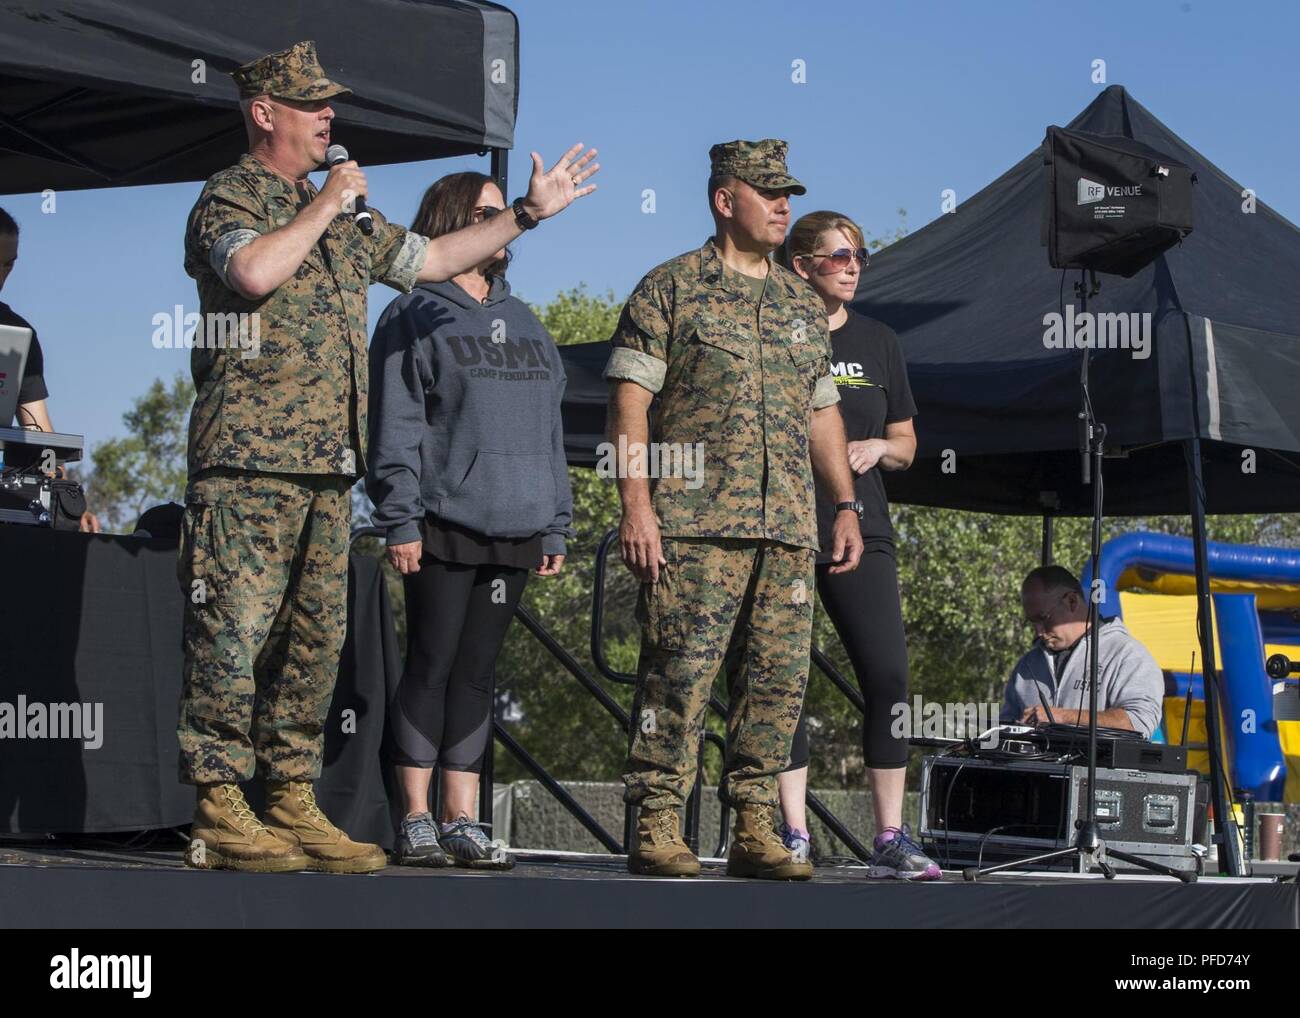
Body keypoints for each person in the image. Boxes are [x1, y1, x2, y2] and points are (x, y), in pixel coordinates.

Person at [178, 40, 597, 873]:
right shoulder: (233, 196)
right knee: (232, 635)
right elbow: (253, 272)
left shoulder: (348, 220)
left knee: (311, 644)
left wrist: (525, 214)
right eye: (310, 104)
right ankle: (220, 805)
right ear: (263, 113)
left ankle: (291, 797)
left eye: (328, 102)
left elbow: (433, 259)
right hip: (249, 463)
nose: (328, 115)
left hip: (328, 468)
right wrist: (329, 201)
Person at [605, 139, 863, 880]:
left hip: (786, 529)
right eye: (768, 193)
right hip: (693, 527)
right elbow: (629, 405)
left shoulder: (801, 304)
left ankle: (754, 824)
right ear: (725, 200)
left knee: (777, 685)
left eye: (787, 194)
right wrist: (636, 507)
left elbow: (822, 412)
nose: (783, 206)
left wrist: (844, 504)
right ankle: (657, 819)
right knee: (678, 678)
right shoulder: (670, 288)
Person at [367, 172, 573, 869]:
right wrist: (399, 519)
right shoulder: (413, 312)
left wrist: (556, 522)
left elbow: (550, 432)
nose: (504, 223)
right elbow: (394, 426)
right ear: (453, 218)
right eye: (488, 212)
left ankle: (461, 818)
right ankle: (415, 817)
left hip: (518, 526)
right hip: (440, 523)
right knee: (431, 664)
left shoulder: (528, 322)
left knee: (479, 674)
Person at [776, 210, 939, 880]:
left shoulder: (879, 340)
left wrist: (879, 447)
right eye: (839, 256)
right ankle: (791, 831)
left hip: (861, 528)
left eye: (859, 256)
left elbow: (907, 444)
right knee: (783, 676)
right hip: (785, 526)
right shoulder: (774, 330)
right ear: (802, 266)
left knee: (889, 675)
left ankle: (890, 836)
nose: (853, 267)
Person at [0, 206, 100, 532]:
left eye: (8, 264)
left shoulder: (17, 334)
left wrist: (66, 499)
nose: (1, 275)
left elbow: (38, 429)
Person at [1001, 565, 1164, 736]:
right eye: (1032, 622)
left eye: (1044, 618)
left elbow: (1139, 722)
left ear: (1072, 601)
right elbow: (1005, 725)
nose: (1039, 631)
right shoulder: (1027, 665)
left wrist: (1064, 717)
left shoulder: (1127, 655)